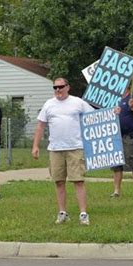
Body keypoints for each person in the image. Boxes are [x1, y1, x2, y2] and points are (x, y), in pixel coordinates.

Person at [32, 78, 94, 225]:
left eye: (61, 87)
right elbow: (40, 126)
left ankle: (83, 214)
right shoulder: (49, 104)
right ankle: (62, 213)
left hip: (75, 148)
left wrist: (113, 112)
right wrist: (35, 146)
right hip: (55, 149)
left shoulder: (77, 102)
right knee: (59, 182)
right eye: (55, 87)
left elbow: (94, 117)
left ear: (68, 87)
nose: (58, 90)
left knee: (78, 181)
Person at [110, 88, 133, 198]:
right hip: (116, 135)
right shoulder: (112, 98)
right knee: (116, 165)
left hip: (130, 136)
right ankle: (116, 191)